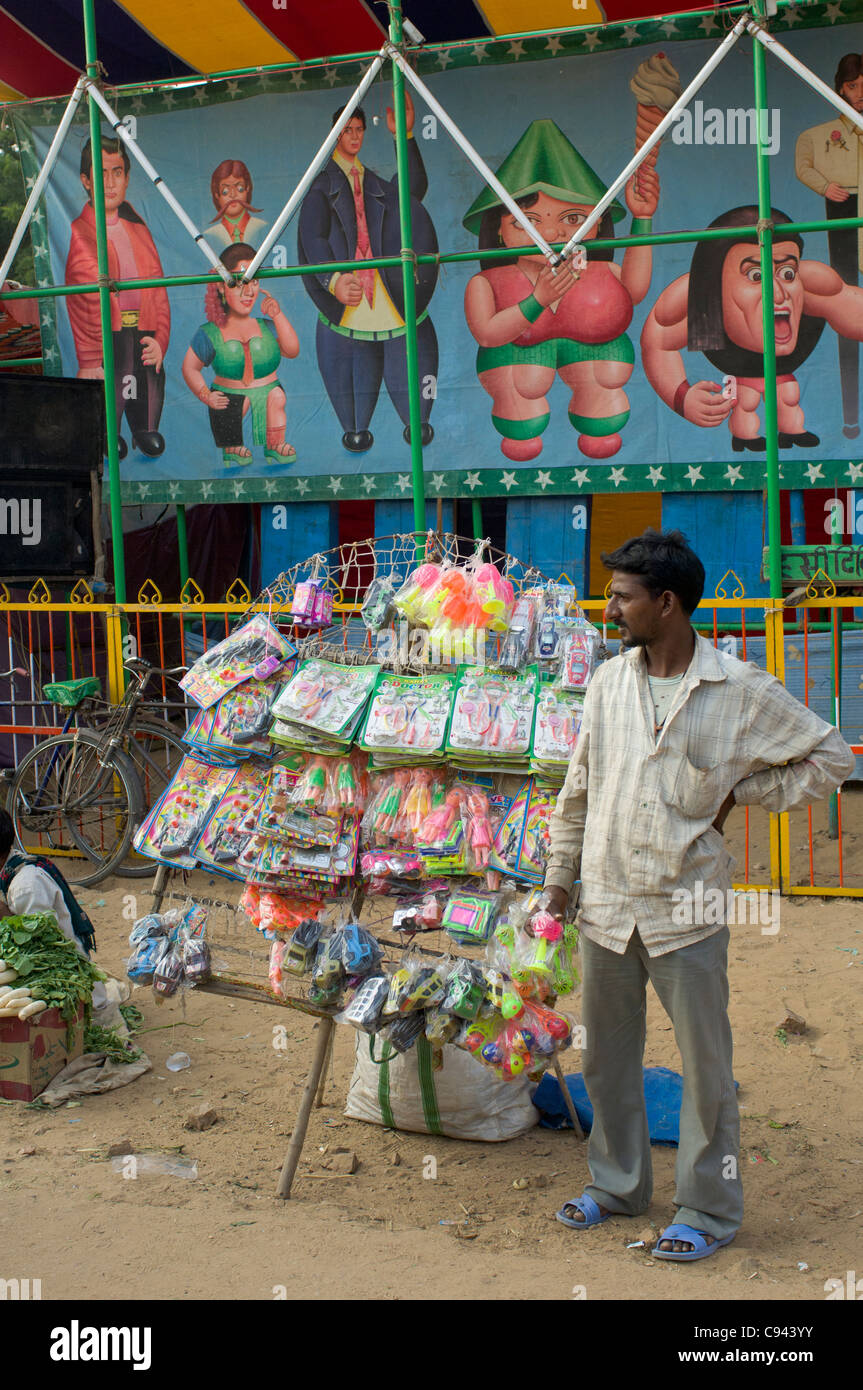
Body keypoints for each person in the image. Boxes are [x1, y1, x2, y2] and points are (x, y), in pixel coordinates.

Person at [544, 529, 854, 1260]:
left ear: (667, 601)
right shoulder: (606, 683)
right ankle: (617, 1187)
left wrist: (745, 792)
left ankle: (706, 1212)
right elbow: (577, 791)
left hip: (687, 910)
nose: (610, 607)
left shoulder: (737, 689)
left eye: (622, 595)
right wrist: (559, 882)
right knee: (605, 1062)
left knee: (704, 1068)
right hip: (607, 906)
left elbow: (831, 756)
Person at [462, 118, 660, 462]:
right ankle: (520, 428)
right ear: (498, 230)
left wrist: (642, 218)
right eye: (528, 222)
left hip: (595, 355)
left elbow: (635, 291)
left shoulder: (601, 270)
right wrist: (538, 300)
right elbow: (488, 334)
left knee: (603, 378)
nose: (551, 233)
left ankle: (599, 422)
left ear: (597, 223)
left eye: (572, 219)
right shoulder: (485, 283)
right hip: (517, 359)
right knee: (521, 384)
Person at [642, 204, 863, 452]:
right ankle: (745, 436)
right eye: (756, 276)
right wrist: (683, 397)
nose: (778, 294)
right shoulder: (692, 296)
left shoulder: (814, 285)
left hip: (783, 374)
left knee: (787, 397)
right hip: (740, 375)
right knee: (745, 403)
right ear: (716, 282)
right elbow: (656, 342)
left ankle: (790, 431)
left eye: (788, 273)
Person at [297, 94, 438, 453]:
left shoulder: (373, 182)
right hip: (349, 300)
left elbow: (412, 190)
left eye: (359, 129)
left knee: (405, 351)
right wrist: (332, 281)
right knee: (353, 373)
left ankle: (416, 421)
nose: (355, 136)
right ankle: (356, 428)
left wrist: (404, 136)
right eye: (348, 130)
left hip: (385, 293)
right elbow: (312, 238)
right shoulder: (319, 186)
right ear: (335, 135)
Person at [65, 136, 170, 460]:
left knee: (149, 372)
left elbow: (157, 286)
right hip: (109, 332)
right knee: (119, 368)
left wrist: (161, 339)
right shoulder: (81, 232)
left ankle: (145, 428)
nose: (110, 183)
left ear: (126, 178)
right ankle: (111, 432)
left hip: (144, 324)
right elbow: (83, 299)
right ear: (86, 181)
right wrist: (90, 358)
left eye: (118, 172)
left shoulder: (138, 228)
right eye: (101, 174)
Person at [181, 242, 300, 468]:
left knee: (276, 396)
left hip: (268, 390)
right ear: (222, 286)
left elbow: (292, 350)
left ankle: (275, 444)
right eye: (239, 283)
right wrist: (206, 395)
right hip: (229, 396)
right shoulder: (210, 332)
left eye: (254, 281)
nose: (249, 291)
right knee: (233, 402)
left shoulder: (266, 325)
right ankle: (232, 446)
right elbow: (190, 367)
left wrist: (278, 315)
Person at [795, 53, 863, 440]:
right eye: (853, 86)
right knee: (846, 308)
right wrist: (824, 187)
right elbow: (802, 162)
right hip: (844, 211)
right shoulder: (820, 135)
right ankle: (851, 417)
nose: (859, 94)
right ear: (840, 88)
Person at [0, 808, 105, 1007]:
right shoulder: (10, 868)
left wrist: (3, 914)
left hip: (62, 985)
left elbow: (38, 950)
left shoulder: (26, 887)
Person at [201, 160, 268, 252]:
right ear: (217, 195)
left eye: (239, 188)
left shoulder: (262, 227)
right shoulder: (210, 235)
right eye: (225, 191)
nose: (233, 195)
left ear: (247, 189)